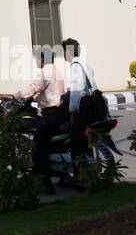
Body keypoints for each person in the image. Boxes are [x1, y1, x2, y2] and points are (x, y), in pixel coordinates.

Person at [14, 47, 65, 194]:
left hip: (51, 114)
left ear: (42, 59)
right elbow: (47, 91)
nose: (36, 61)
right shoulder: (56, 70)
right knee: (48, 145)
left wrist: (14, 96)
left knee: (38, 146)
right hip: (58, 113)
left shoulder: (45, 71)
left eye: (37, 58)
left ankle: (45, 184)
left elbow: (33, 88)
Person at [60, 37, 102, 180]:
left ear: (68, 51)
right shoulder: (85, 64)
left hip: (85, 109)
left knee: (75, 140)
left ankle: (80, 175)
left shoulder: (75, 66)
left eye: (64, 50)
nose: (64, 54)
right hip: (95, 107)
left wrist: (72, 115)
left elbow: (76, 93)